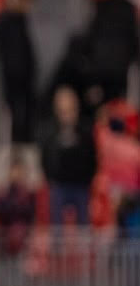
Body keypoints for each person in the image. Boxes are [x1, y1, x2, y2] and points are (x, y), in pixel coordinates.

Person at [39, 86, 97, 226]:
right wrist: (50, 179)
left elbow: (93, 158)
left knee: (84, 224)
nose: (67, 115)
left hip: (81, 186)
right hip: (59, 186)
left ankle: (84, 247)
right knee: (56, 226)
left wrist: (88, 179)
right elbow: (45, 158)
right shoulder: (50, 133)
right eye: (63, 111)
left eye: (70, 110)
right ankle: (57, 248)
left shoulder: (86, 132)